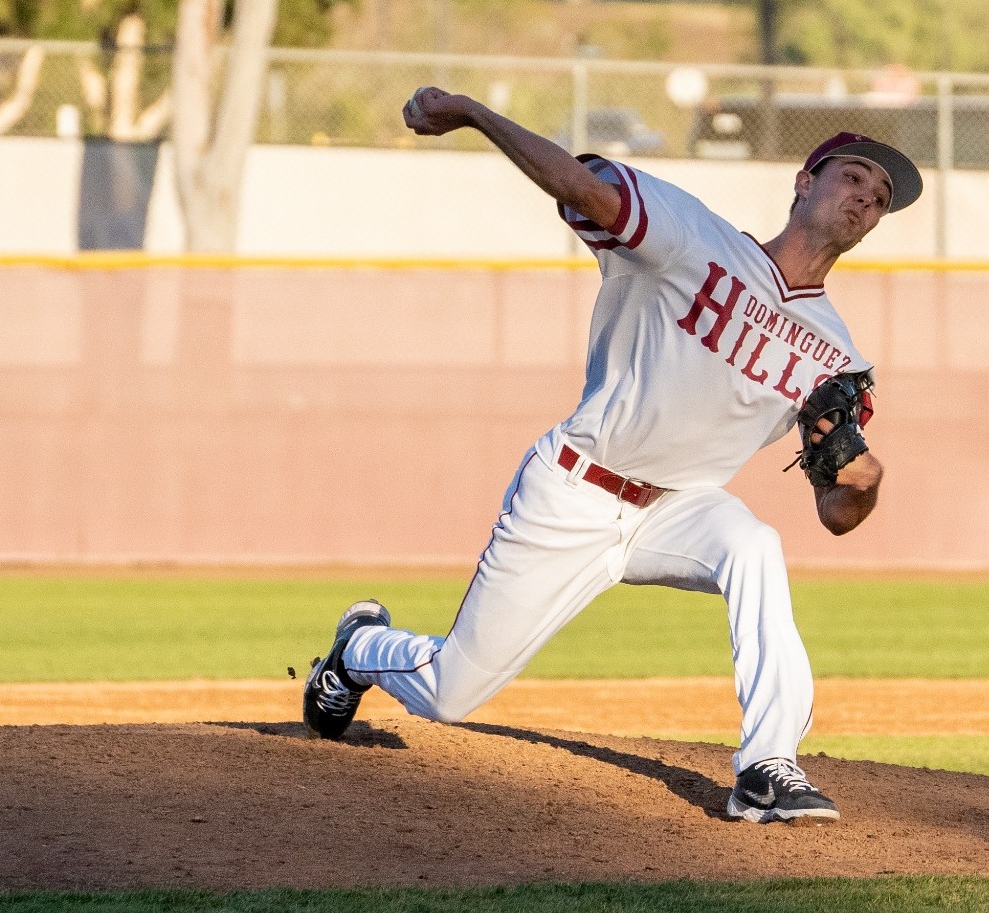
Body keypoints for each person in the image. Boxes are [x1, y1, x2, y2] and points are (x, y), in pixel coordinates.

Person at [303, 85, 921, 826]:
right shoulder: (693, 237)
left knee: (754, 544)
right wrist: (473, 112)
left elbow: (836, 513)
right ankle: (358, 646)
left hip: (681, 506)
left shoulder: (838, 359)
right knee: (449, 692)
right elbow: (581, 187)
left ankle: (767, 766)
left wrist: (865, 481)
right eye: (852, 175)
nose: (864, 197)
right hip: (574, 490)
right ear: (803, 181)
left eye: (879, 196)